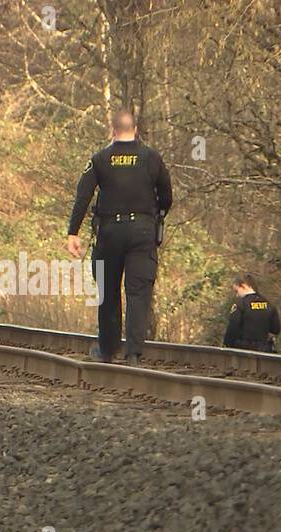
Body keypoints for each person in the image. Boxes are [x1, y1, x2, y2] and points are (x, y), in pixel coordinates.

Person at [65, 109, 173, 366]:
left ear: (113, 132)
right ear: (136, 130)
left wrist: (73, 232)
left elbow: (83, 196)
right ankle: (134, 353)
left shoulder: (100, 159)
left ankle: (107, 350)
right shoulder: (152, 158)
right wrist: (155, 214)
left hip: (109, 234)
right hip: (142, 233)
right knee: (138, 293)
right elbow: (167, 195)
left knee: (108, 292)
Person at [222, 274, 281, 352]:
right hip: (264, 350)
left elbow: (232, 328)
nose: (237, 295)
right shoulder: (268, 304)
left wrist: (226, 345)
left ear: (243, 286)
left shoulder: (240, 305)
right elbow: (276, 329)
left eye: (237, 291)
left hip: (243, 351)